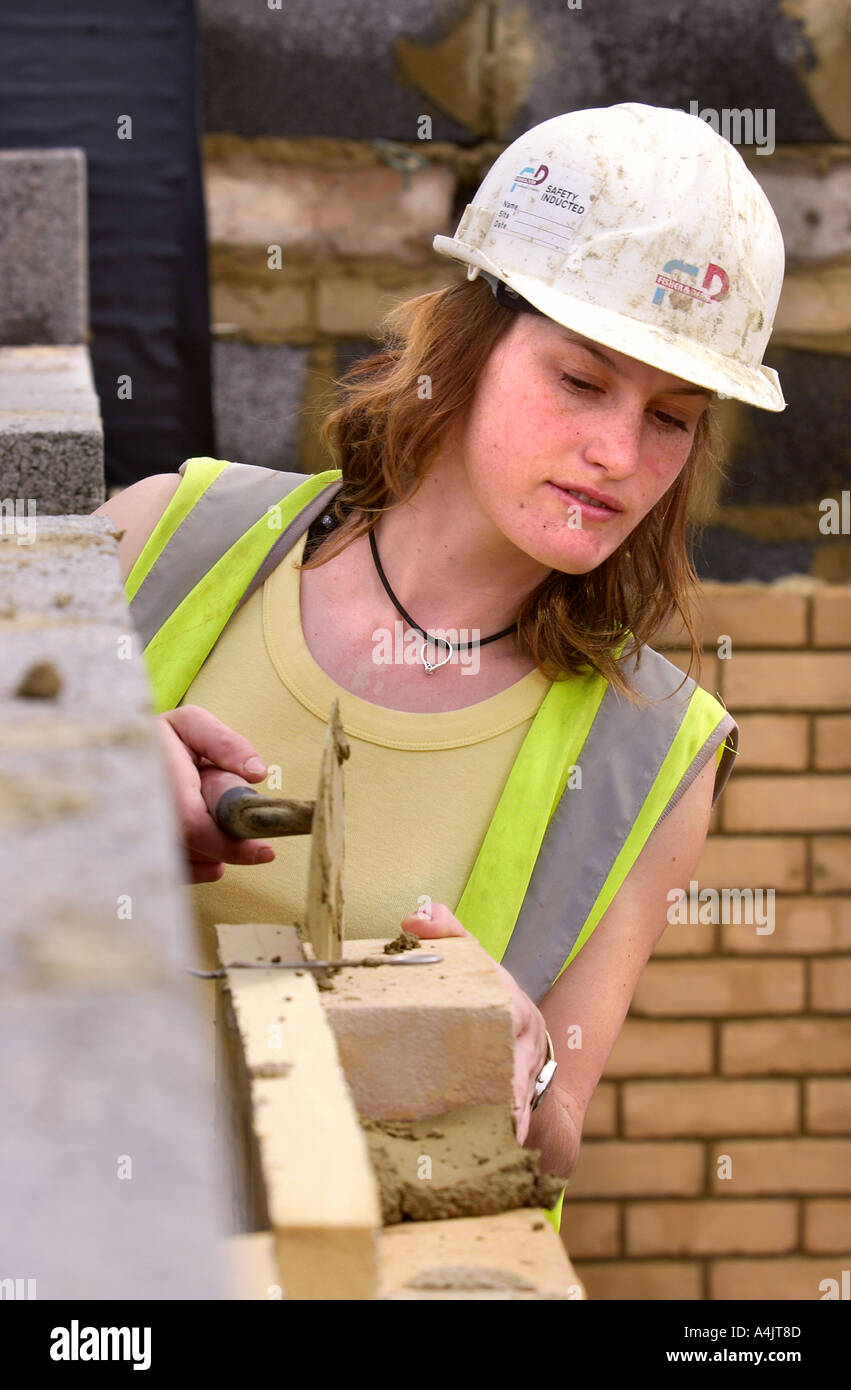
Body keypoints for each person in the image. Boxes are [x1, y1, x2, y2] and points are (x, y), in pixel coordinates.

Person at [95, 104, 786, 1228]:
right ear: (466, 347)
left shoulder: (654, 754)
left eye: (670, 417)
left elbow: (551, 1151)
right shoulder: (160, 538)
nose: (619, 454)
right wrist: (71, 778)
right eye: (578, 382)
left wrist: (509, 1059)